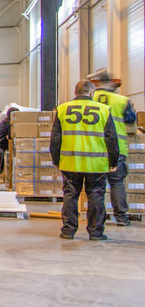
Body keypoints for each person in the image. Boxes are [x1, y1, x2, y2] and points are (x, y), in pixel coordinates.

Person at [50, 80, 120, 241]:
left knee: (70, 195)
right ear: (91, 93)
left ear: (75, 93)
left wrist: (55, 159)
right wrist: (113, 162)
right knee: (96, 196)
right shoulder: (103, 110)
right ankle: (95, 232)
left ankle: (68, 230)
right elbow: (111, 138)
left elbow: (55, 139)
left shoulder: (62, 109)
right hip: (95, 163)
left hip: (70, 162)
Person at [90, 69, 138, 227]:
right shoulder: (122, 100)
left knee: (96, 185)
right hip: (117, 148)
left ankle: (98, 218)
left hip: (95, 149)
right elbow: (131, 120)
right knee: (117, 183)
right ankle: (121, 217)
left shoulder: (90, 98)